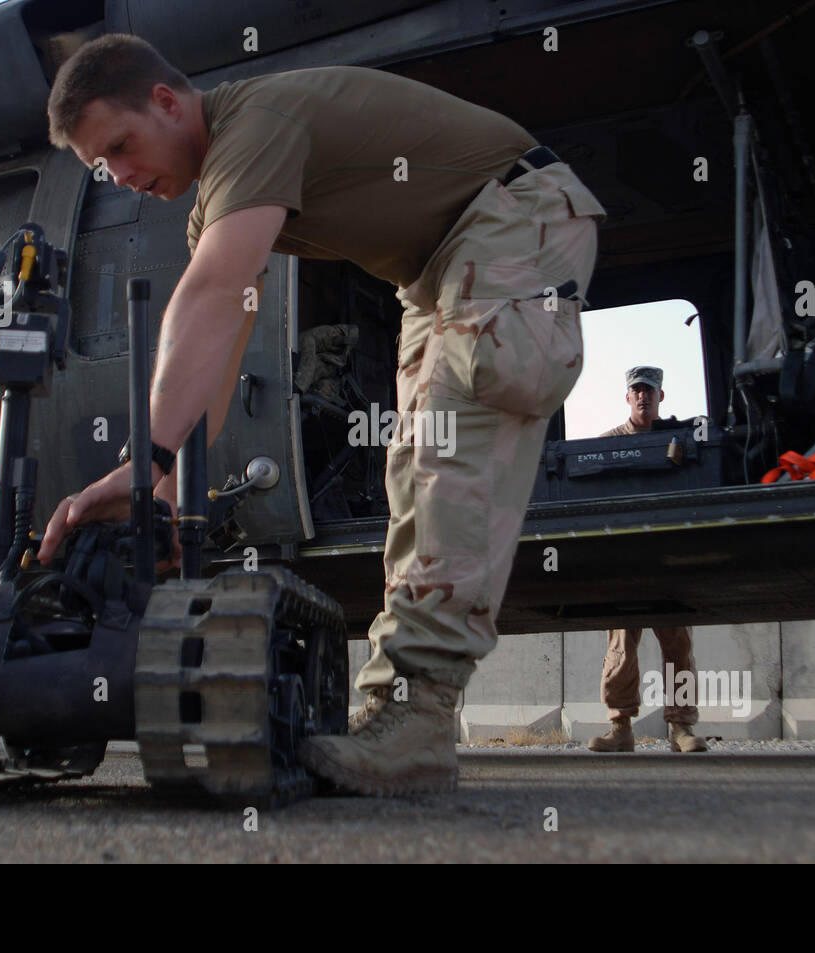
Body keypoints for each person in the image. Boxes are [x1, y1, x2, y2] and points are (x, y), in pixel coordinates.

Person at [38, 35, 604, 794]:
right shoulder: (217, 200)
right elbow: (221, 340)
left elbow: (211, 293)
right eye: (101, 167)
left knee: (450, 459)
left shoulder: (255, 122)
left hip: (512, 213)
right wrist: (161, 491)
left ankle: (418, 719)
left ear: (167, 102)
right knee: (415, 470)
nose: (121, 176)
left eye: (119, 145)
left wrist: (145, 458)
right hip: (437, 265)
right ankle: (402, 714)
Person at [589, 367, 709, 753]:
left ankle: (681, 728)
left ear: (661, 396)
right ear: (627, 397)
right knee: (621, 644)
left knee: (677, 644)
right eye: (636, 390)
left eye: (649, 390)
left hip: (666, 555)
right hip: (623, 557)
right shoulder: (607, 442)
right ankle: (620, 726)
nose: (643, 396)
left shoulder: (677, 438)